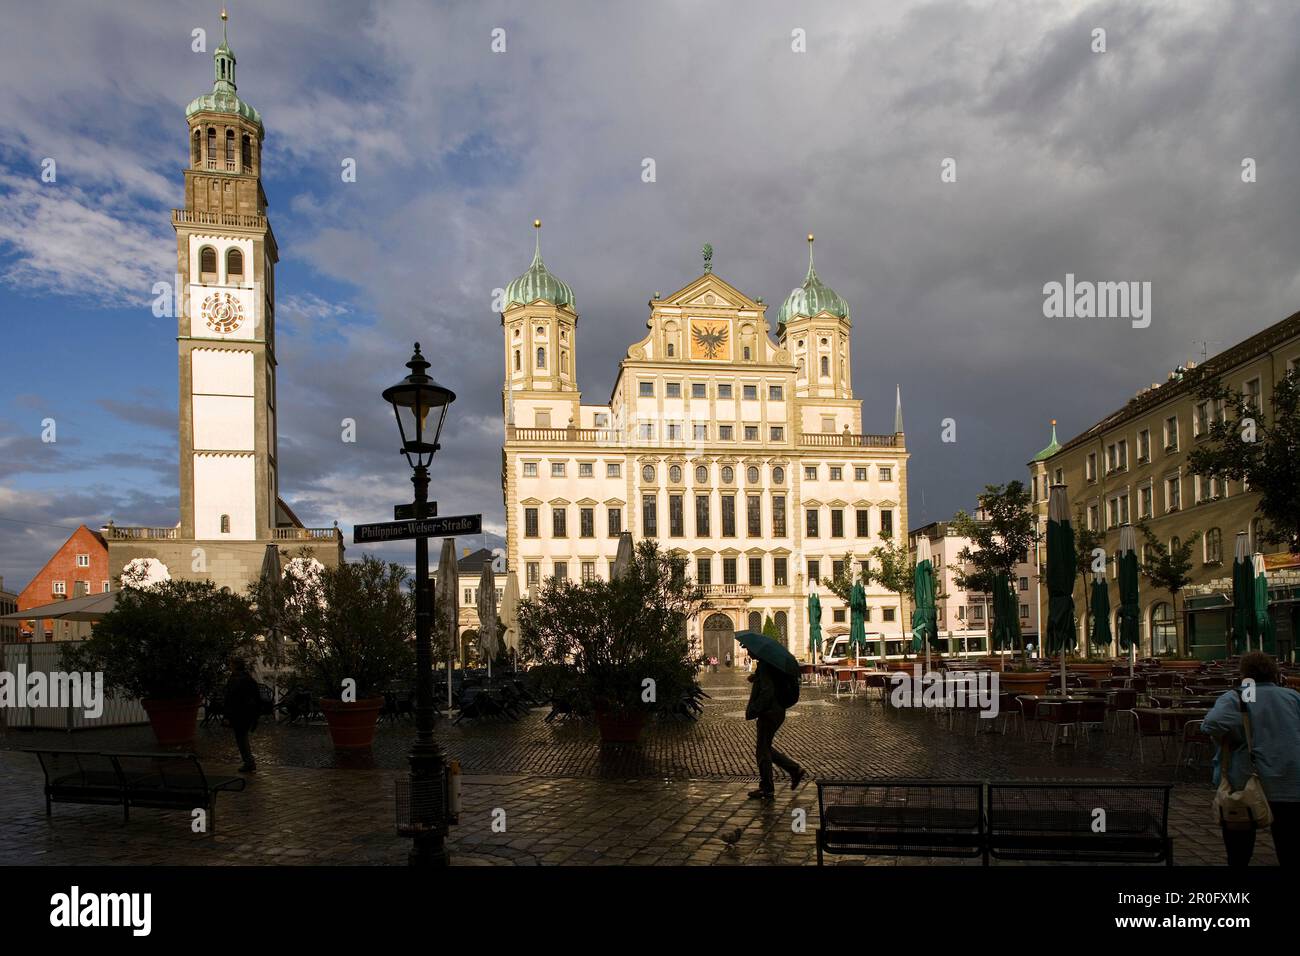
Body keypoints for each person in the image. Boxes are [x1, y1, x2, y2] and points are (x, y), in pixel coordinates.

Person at [1202, 651, 1300, 865]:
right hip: (1291, 780)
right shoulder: (1292, 696)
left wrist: (1240, 727)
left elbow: (1211, 724)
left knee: (1239, 851)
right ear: (1274, 672)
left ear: (1244, 673)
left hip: (1246, 780)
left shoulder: (1239, 696)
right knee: (1291, 849)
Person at [745, 659, 805, 800]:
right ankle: (793, 770)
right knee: (765, 748)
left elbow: (768, 691)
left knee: (763, 750)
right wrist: (756, 677)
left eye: (748, 649)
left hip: (769, 712)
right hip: (776, 710)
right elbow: (771, 682)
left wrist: (755, 709)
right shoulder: (767, 665)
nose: (747, 652)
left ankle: (767, 788)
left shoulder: (765, 666)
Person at [224, 658, 262, 773]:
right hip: (248, 712)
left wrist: (227, 715)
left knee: (241, 738)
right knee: (242, 736)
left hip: (239, 713)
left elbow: (230, 698)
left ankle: (249, 761)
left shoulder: (235, 680)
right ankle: (248, 761)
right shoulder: (248, 679)